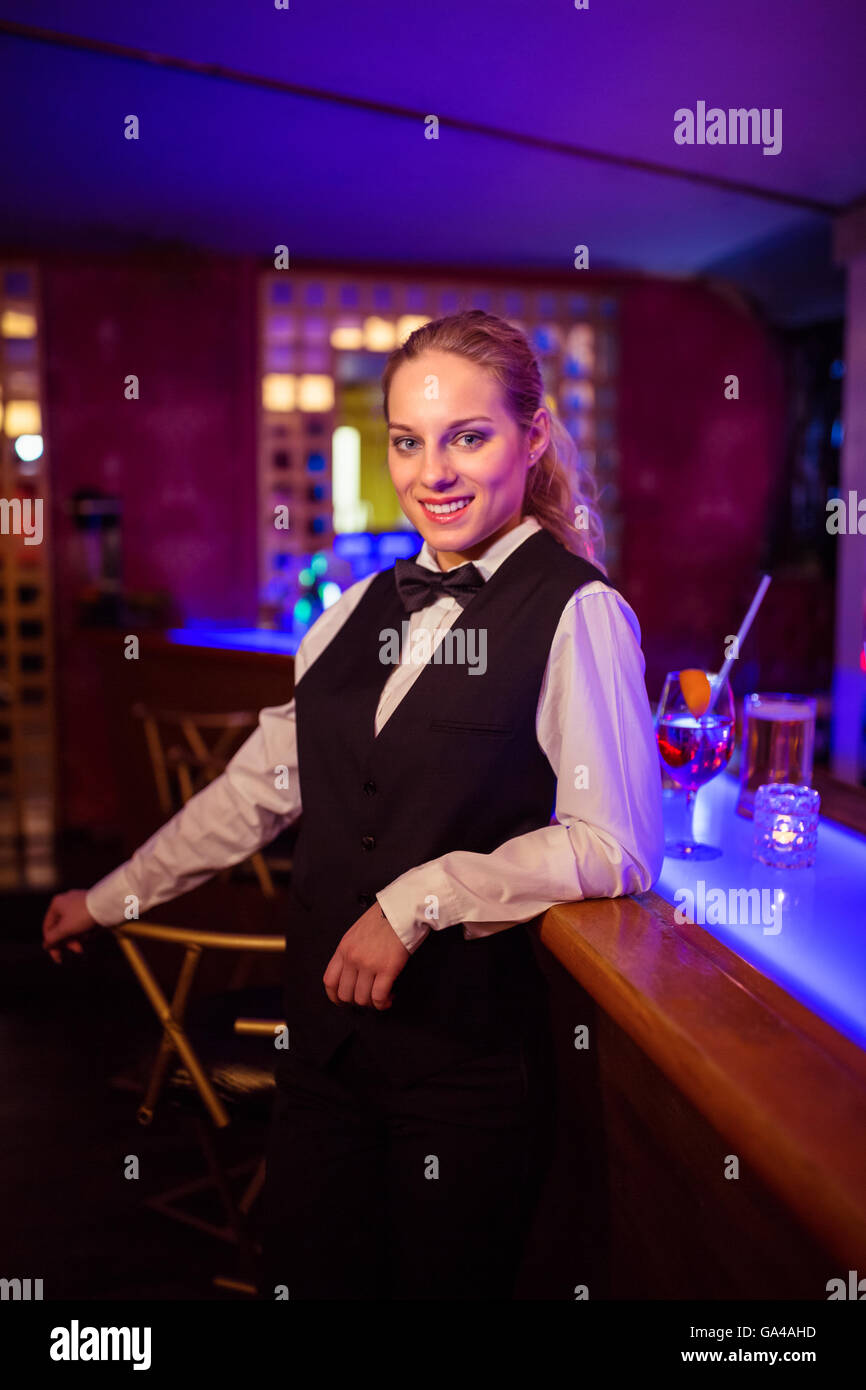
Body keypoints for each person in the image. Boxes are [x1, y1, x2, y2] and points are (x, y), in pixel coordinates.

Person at [42, 309, 664, 1300]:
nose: (433, 473)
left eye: (469, 435)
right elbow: (255, 791)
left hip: (460, 1075)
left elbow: (616, 846)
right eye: (408, 442)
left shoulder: (575, 612)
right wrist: (112, 895)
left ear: (532, 436)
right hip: (321, 1056)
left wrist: (420, 894)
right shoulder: (347, 613)